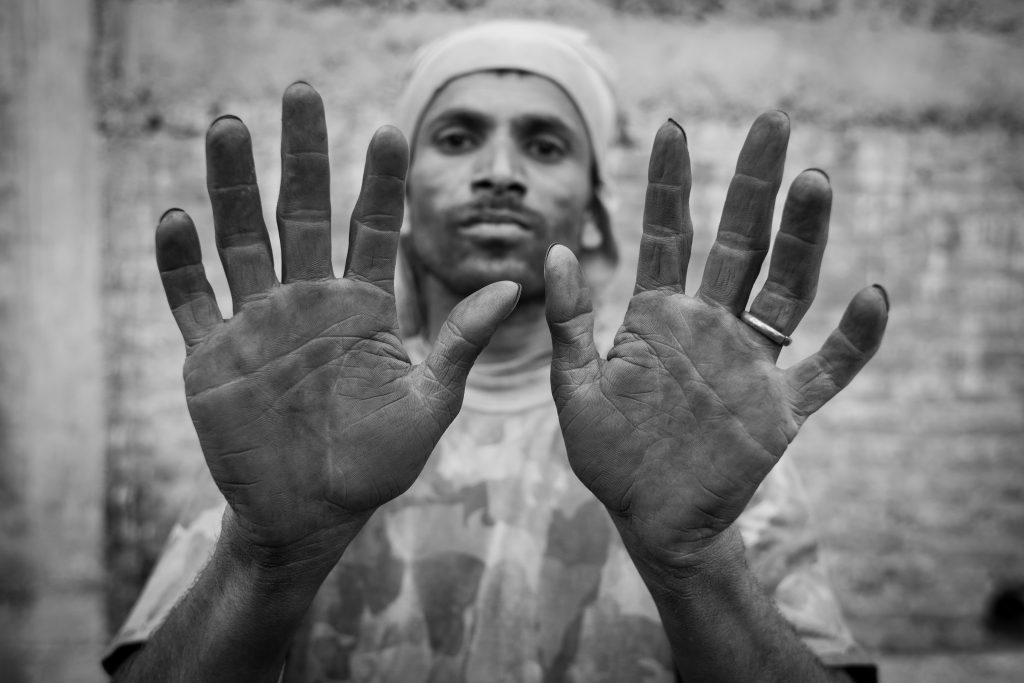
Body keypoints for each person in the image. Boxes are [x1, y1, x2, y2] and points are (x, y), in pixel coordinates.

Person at [103, 21, 889, 683]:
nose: (501, 174)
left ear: (592, 208)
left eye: (545, 146)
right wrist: (262, 559)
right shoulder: (298, 413)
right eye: (457, 137)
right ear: (404, 194)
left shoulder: (706, 430)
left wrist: (696, 562)